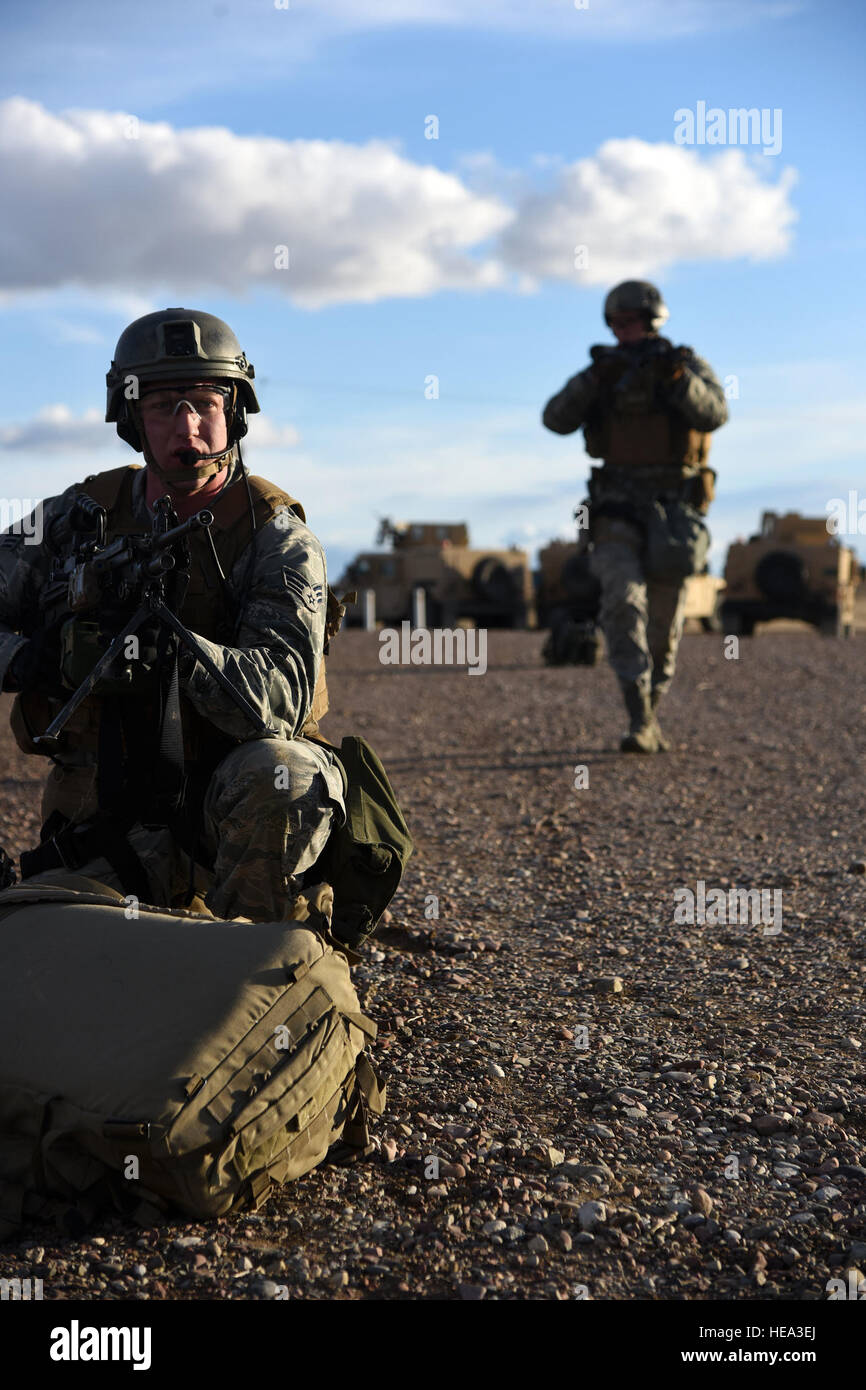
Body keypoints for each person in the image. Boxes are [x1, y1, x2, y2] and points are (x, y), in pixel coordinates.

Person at [0, 308, 346, 920]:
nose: (187, 425)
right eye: (163, 406)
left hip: (226, 815)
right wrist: (29, 658)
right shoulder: (73, 517)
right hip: (105, 813)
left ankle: (254, 951)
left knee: (284, 772)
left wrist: (174, 651)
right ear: (133, 419)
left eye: (204, 403)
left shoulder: (276, 535)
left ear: (233, 412)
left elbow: (283, 698)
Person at [542, 280, 728, 752]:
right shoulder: (602, 372)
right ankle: (638, 718)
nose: (626, 331)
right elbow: (555, 418)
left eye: (634, 322)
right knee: (623, 603)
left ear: (651, 321)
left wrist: (677, 379)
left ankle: (652, 706)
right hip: (616, 510)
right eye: (618, 323)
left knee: (666, 627)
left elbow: (715, 413)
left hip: (674, 516)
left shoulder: (682, 364)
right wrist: (593, 382)